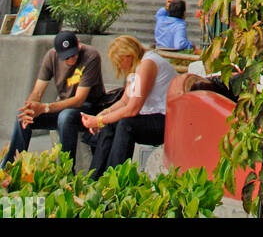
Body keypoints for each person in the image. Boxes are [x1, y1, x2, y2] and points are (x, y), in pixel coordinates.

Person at [1, 30, 106, 169]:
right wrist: (30, 108)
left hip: (88, 107)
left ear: (79, 45)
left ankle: (65, 172)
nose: (71, 59)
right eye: (66, 57)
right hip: (62, 105)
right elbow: (37, 91)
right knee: (22, 117)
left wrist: (45, 108)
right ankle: (9, 169)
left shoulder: (91, 56)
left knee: (65, 117)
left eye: (74, 55)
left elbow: (79, 100)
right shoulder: (51, 56)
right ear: (57, 53)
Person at [83, 36, 176, 178]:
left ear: (129, 55)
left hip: (166, 120)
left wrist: (99, 121)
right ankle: (94, 179)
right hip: (150, 116)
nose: (120, 66)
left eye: (120, 61)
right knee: (109, 125)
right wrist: (101, 116)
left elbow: (132, 109)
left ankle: (114, 179)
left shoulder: (147, 64)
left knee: (126, 124)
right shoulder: (136, 67)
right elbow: (125, 100)